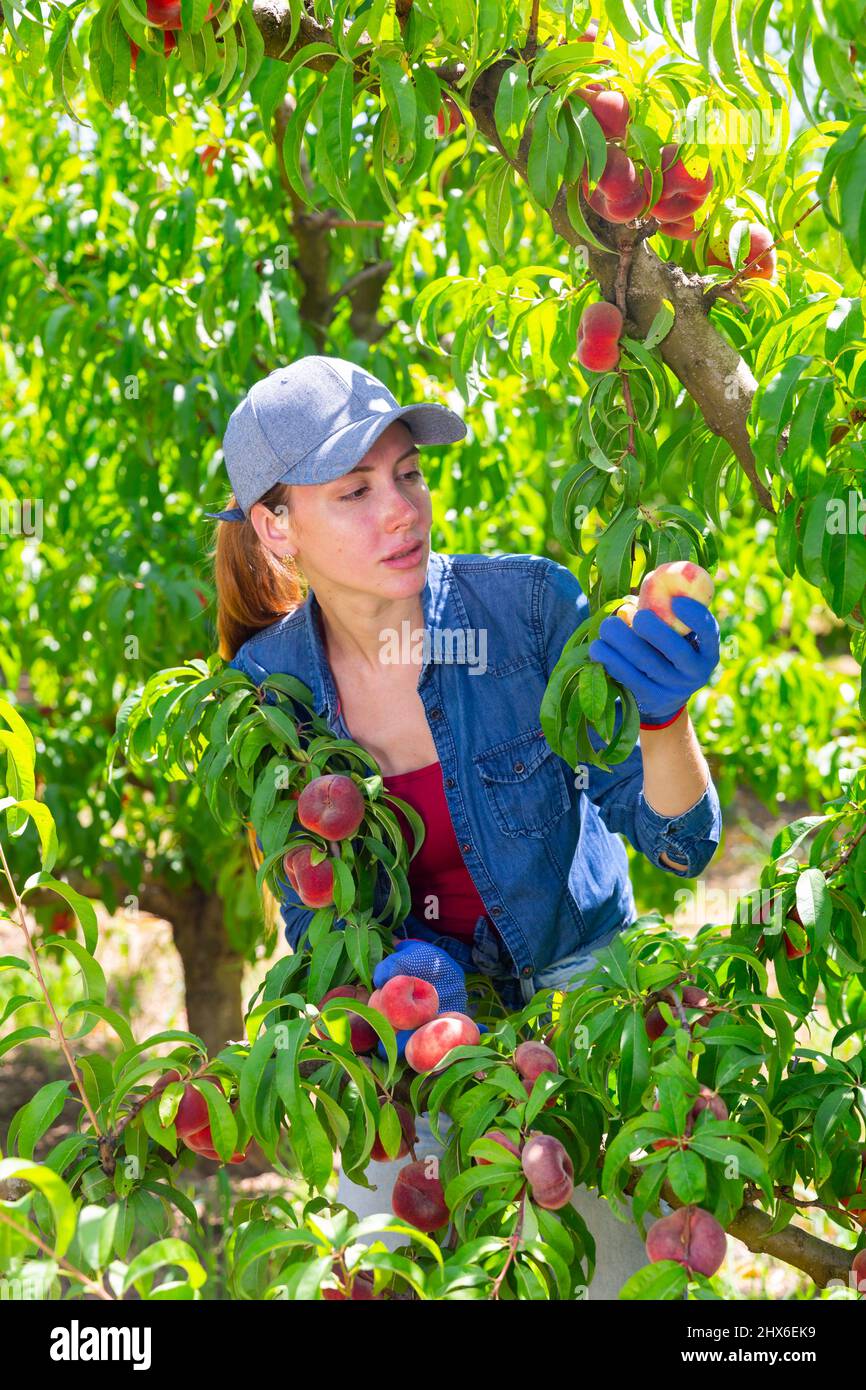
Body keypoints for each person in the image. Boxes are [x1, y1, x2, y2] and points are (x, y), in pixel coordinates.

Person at [206, 355, 723, 1297]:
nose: (400, 508)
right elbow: (319, 930)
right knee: (394, 1272)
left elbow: (679, 846)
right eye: (354, 490)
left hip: (585, 1003)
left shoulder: (526, 611)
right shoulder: (265, 698)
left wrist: (665, 722)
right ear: (277, 530)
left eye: (406, 473)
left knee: (614, 1279)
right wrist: (446, 1042)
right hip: (411, 1040)